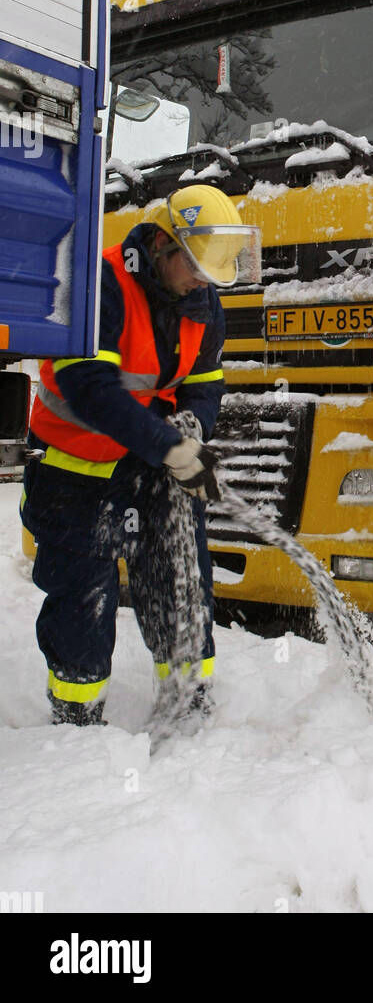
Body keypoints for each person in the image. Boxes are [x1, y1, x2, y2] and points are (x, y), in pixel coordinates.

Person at [22, 184, 261, 726]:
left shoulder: (203, 303)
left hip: (152, 466)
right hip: (74, 469)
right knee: (85, 600)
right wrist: (170, 447)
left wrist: (194, 428)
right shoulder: (101, 282)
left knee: (181, 580)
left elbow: (206, 381)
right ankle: (77, 723)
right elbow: (90, 387)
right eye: (196, 267)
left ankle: (187, 706)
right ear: (162, 245)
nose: (203, 280)